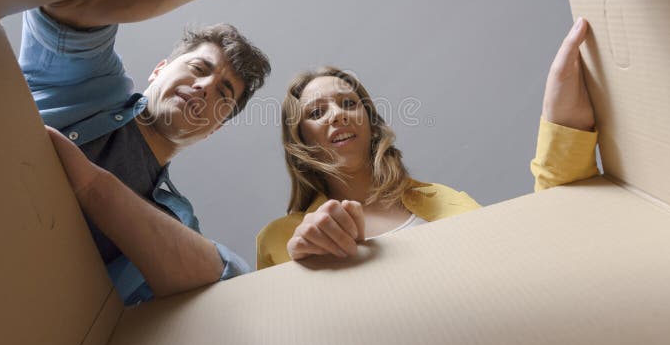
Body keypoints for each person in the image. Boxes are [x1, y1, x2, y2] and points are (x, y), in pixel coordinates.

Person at [23, 0, 415, 304]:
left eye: (225, 94)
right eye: (198, 67)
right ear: (158, 71)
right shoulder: (86, 85)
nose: (206, 86)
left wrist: (96, 189)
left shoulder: (178, 222)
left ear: (216, 126)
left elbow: (227, 291)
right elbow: (72, 2)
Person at [256, 18, 599, 269]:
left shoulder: (446, 199)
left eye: (348, 103)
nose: (337, 115)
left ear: (370, 124)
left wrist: (562, 120)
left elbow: (528, 253)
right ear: (300, 142)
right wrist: (306, 269)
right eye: (317, 112)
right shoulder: (279, 241)